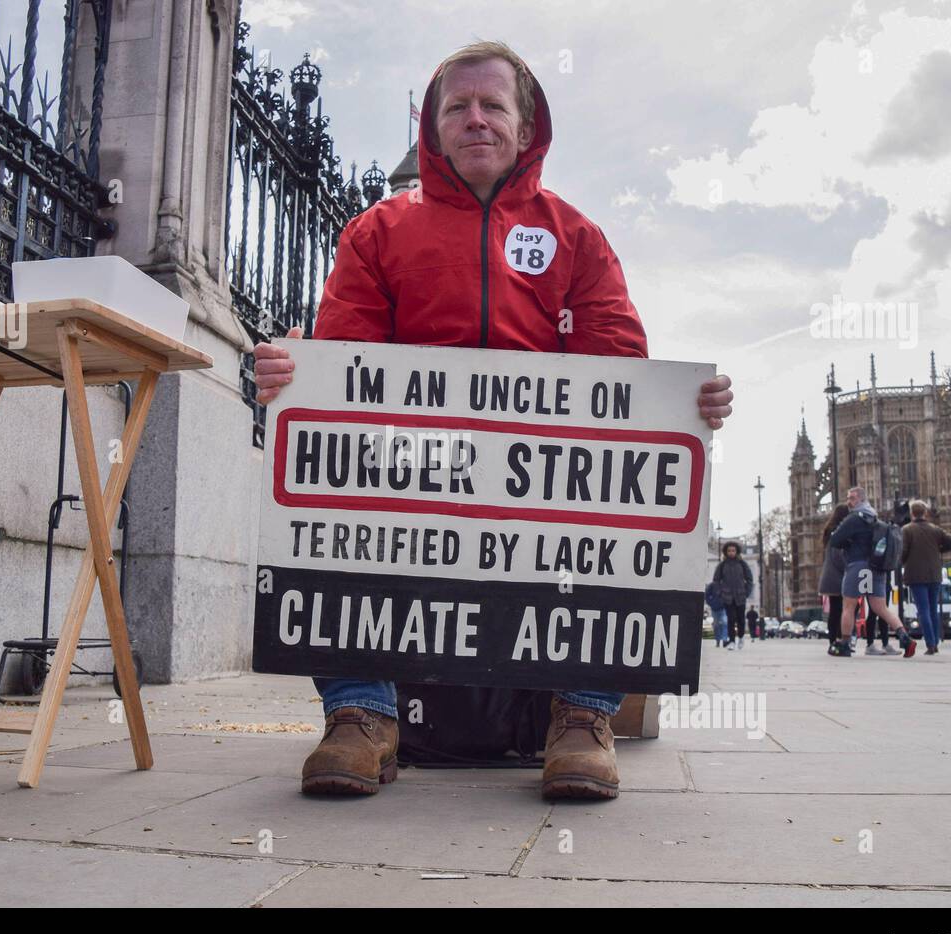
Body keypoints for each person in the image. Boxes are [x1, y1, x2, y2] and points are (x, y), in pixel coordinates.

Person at [253, 42, 735, 800]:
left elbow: (618, 365)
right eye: (456, 107)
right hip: (410, 468)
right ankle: (361, 715)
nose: (475, 119)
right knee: (331, 512)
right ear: (434, 127)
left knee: (618, 511)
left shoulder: (577, 238)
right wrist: (294, 380)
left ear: (525, 122)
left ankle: (582, 715)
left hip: (539, 488)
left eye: (492, 105)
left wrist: (682, 409)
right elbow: (341, 368)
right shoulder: (375, 234)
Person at [828, 486, 917, 658]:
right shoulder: (875, 519)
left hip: (859, 567)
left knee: (849, 605)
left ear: (861, 499)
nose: (849, 501)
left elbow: (834, 540)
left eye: (852, 498)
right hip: (876, 568)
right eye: (848, 498)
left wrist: (847, 543)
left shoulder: (854, 518)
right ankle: (905, 638)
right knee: (880, 607)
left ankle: (845, 644)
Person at [900, 499, 951, 655]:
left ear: (912, 513)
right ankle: (935, 641)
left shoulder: (907, 530)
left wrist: (901, 562)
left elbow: (903, 551)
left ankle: (930, 644)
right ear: (925, 513)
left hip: (915, 575)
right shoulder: (935, 529)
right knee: (933, 609)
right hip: (934, 574)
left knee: (923, 610)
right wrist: (938, 550)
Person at [817, 503, 850, 655]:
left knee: (837, 611)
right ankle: (836, 641)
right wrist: (850, 569)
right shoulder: (838, 532)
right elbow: (838, 556)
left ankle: (835, 641)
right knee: (841, 610)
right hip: (838, 576)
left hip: (831, 576)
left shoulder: (831, 531)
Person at [712, 541, 753, 650]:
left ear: (736, 551)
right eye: (729, 551)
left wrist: (747, 592)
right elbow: (716, 580)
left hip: (740, 596)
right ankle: (731, 641)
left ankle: (741, 637)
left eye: (733, 550)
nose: (731, 552)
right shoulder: (722, 565)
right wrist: (720, 593)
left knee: (741, 619)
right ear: (726, 552)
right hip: (727, 597)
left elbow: (749, 578)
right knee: (730, 619)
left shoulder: (742, 564)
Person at [705, 582, 728, 648]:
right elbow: (707, 595)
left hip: (724, 608)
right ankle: (717, 640)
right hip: (715, 608)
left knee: (725, 623)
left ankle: (724, 640)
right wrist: (711, 603)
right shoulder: (712, 585)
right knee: (716, 625)